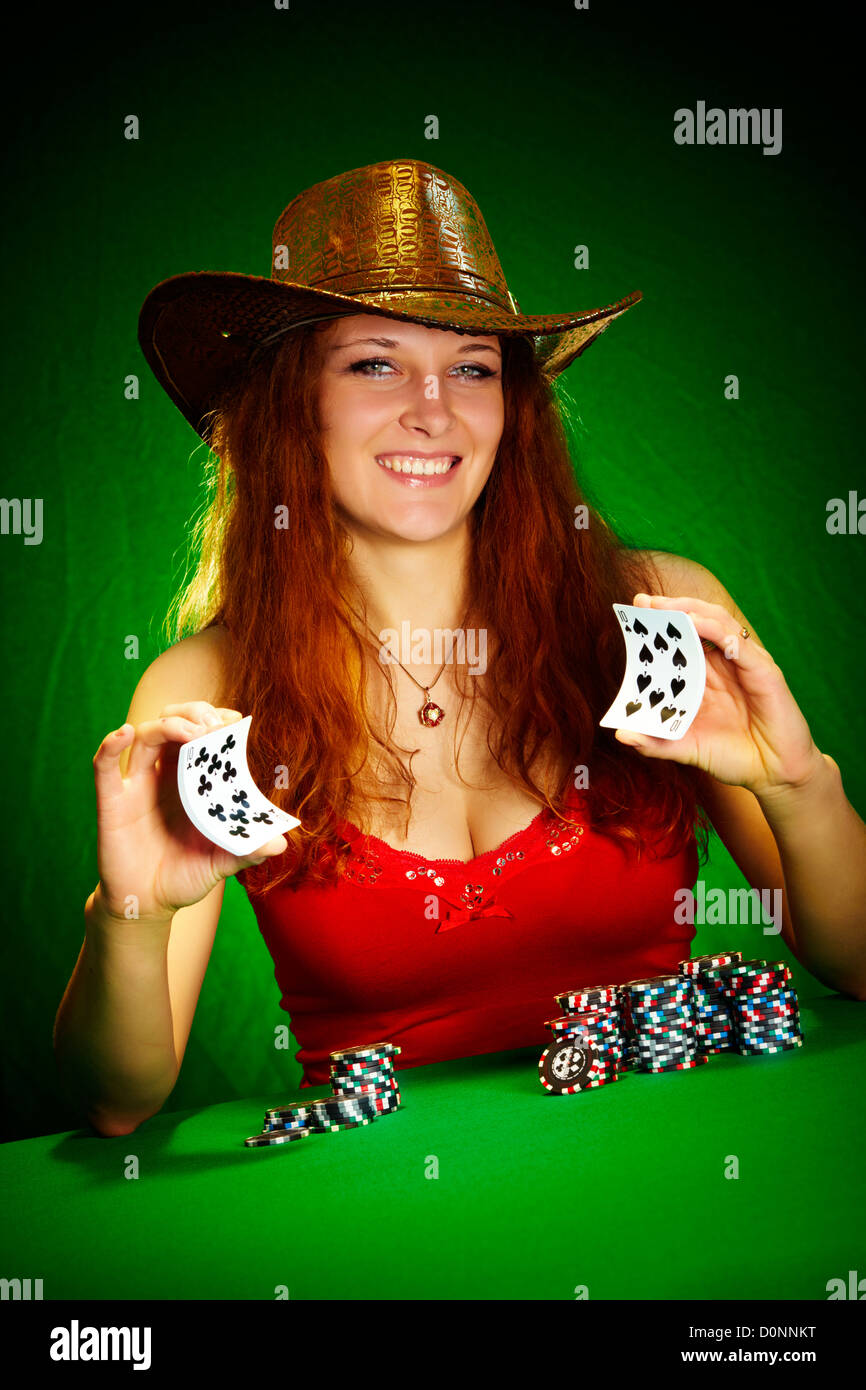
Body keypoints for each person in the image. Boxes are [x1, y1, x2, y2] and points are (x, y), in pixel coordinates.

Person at [53, 159, 866, 1136]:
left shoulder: (658, 611)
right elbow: (116, 1100)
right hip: (380, 1220)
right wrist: (128, 915)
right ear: (289, 404)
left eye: (471, 368)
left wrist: (799, 781)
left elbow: (855, 967)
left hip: (668, 1170)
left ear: (510, 408)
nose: (431, 407)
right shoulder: (206, 689)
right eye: (374, 362)